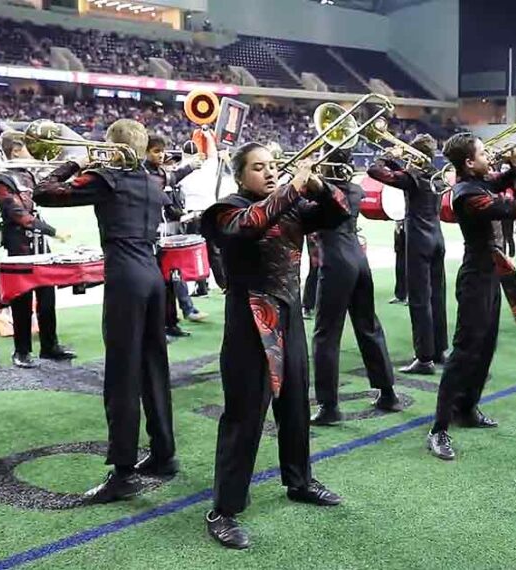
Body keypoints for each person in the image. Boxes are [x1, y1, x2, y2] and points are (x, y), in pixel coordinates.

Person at [201, 144, 349, 549]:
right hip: (249, 320)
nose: (269, 173)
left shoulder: (292, 205)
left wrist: (317, 187)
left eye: (272, 167)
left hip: (288, 316)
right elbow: (251, 224)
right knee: (244, 414)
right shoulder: (225, 210)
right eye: (258, 168)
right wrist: (294, 186)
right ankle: (223, 509)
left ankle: (299, 481)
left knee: (296, 404)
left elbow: (339, 214)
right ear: (240, 176)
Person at [34, 119, 176, 503]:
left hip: (126, 277)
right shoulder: (152, 180)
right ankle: (163, 453)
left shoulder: (106, 178)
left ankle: (124, 473)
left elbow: (43, 192)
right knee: (153, 365)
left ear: (111, 147)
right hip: (151, 273)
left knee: (121, 374)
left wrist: (76, 161)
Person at [426, 133, 516, 461]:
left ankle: (467, 408)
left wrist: (515, 167)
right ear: (469, 163)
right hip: (475, 277)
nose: (490, 156)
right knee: (464, 352)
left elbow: (500, 181)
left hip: (492, 274)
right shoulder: (467, 194)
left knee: (486, 347)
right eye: (484, 153)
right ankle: (438, 428)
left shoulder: (479, 183)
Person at [311, 148, 402, 425]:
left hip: (336, 259)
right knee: (368, 326)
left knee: (325, 334)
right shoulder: (353, 188)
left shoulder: (327, 191)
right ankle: (388, 392)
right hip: (358, 258)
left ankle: (329, 406)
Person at [0, 131, 76, 369]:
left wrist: (74, 166)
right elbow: (17, 214)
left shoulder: (27, 175)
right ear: (16, 150)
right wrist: (53, 231)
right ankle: (22, 351)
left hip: (39, 245)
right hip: (19, 245)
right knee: (22, 300)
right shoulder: (0, 181)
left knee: (47, 297)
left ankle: (49, 346)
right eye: (29, 147)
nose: (33, 152)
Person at [366, 135, 449, 373]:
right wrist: (404, 159)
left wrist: (391, 156)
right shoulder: (436, 175)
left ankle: (424, 358)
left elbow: (374, 170)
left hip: (419, 241)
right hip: (437, 238)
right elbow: (406, 173)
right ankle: (439, 349)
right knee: (437, 296)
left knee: (419, 299)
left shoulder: (413, 178)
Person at [145, 133, 206, 337]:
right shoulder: (144, 173)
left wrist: (184, 216)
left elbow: (168, 186)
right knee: (159, 283)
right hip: (147, 237)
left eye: (162, 151)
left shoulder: (157, 172)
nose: (161, 156)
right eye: (156, 151)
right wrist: (189, 167)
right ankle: (160, 324)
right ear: (145, 152)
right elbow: (165, 182)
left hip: (163, 235)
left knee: (171, 279)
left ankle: (171, 323)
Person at [390, 219, 408, 305]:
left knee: (410, 267)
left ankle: (410, 295)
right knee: (399, 266)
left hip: (411, 226)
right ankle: (400, 295)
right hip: (400, 226)